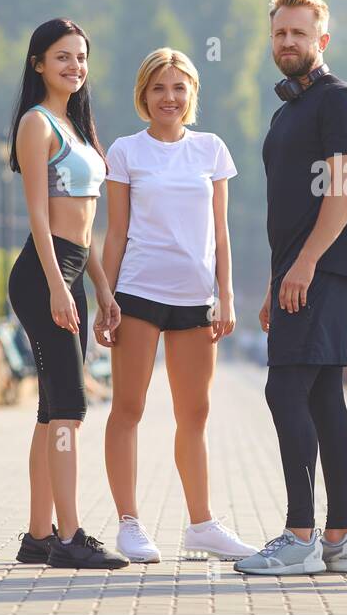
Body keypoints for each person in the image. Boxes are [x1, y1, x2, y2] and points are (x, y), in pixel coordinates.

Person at [234, 0, 347, 576]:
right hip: (300, 270)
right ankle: (339, 541)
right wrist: (278, 276)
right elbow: (288, 207)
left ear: (323, 40)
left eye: (299, 33)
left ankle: (300, 537)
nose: (287, 42)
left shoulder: (342, 103)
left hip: (324, 269)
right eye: (279, 33)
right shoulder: (289, 110)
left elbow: (346, 189)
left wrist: (308, 262)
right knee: (322, 397)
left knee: (284, 391)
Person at [100, 48, 257, 563]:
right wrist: (104, 296)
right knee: (129, 408)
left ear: (192, 94)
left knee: (196, 413)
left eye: (178, 88)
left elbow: (221, 231)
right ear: (143, 95)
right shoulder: (125, 151)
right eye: (158, 88)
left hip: (196, 299)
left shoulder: (211, 150)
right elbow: (116, 233)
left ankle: (202, 525)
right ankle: (129, 524)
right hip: (138, 295)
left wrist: (226, 293)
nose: (169, 97)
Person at [8, 18, 128, 569]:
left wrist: (102, 290)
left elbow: (86, 228)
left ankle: (38, 535)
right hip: (43, 273)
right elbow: (39, 215)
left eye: (81, 57)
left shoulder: (76, 127)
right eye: (62, 57)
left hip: (73, 270)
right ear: (38, 64)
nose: (74, 66)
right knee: (70, 412)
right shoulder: (37, 124)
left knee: (51, 409)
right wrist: (59, 286)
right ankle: (71, 536)